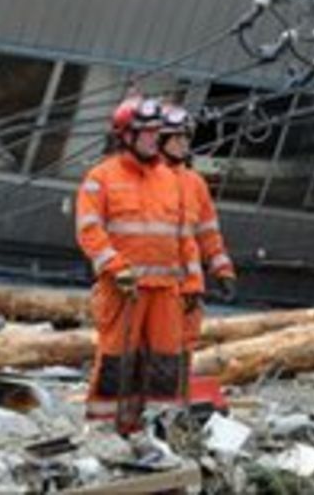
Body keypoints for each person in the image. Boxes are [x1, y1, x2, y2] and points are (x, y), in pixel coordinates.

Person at [75, 96, 197, 434]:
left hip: (165, 292)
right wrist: (116, 268)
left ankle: (158, 430)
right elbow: (89, 230)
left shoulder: (170, 179)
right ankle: (103, 429)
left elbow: (182, 235)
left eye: (156, 132)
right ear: (125, 135)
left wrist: (191, 284)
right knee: (117, 361)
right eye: (145, 132)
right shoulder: (101, 178)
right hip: (123, 289)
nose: (152, 138)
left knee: (164, 364)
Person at [157, 104, 237, 364]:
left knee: (184, 345)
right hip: (150, 284)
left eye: (186, 137)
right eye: (177, 137)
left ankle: (170, 397)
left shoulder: (194, 183)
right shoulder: (141, 178)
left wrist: (223, 270)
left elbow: (208, 233)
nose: (184, 144)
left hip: (188, 286)